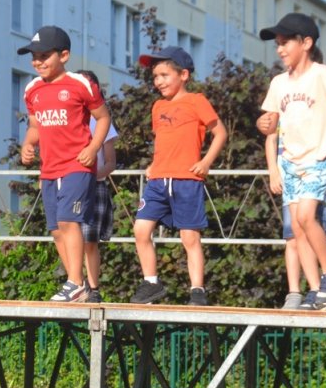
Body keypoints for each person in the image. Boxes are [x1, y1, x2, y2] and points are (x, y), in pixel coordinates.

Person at [256, 12, 326, 310]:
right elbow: (269, 125)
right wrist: (264, 128)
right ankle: (316, 291)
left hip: (319, 157)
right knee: (298, 229)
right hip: (290, 162)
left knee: (306, 218)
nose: (280, 49)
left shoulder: (323, 74)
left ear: (306, 43)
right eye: (277, 43)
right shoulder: (278, 83)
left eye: (285, 42)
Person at [18, 26, 112, 303]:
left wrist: (93, 148)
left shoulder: (80, 85)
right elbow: (35, 126)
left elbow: (103, 118)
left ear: (64, 55)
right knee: (56, 229)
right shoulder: (32, 89)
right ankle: (77, 283)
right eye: (34, 56)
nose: (38, 62)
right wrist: (28, 144)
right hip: (49, 168)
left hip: (77, 166)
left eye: (45, 55)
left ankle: (74, 282)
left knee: (68, 221)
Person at [129, 46, 228, 306]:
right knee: (141, 229)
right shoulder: (158, 106)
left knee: (189, 237)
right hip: (158, 180)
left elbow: (220, 133)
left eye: (164, 75)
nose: (158, 81)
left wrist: (206, 161)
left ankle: (197, 290)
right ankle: (151, 283)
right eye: (155, 77)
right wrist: (153, 164)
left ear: (183, 74)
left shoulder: (196, 101)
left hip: (187, 179)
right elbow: (164, 140)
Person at [266, 131, 326, 311]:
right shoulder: (282, 106)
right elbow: (270, 129)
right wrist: (273, 169)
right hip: (292, 171)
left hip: (319, 165)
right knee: (297, 230)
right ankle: (316, 290)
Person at [77, 70, 119, 304]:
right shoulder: (68, 117)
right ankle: (75, 283)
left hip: (94, 187)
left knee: (89, 240)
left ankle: (93, 288)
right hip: (71, 186)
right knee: (69, 237)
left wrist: (92, 177)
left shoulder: (101, 121)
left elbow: (110, 162)